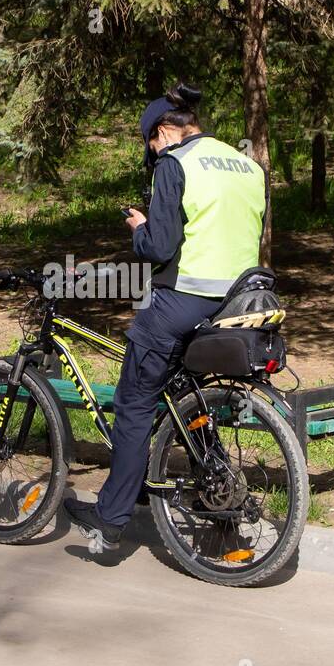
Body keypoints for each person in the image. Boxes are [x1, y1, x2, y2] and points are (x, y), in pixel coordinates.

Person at [64, 84, 266, 550]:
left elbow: (160, 247)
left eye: (151, 148)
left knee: (133, 404)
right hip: (239, 300)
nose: (154, 157)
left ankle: (110, 518)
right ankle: (213, 489)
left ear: (163, 134)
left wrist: (139, 229)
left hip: (185, 298)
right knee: (182, 394)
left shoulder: (176, 164)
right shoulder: (248, 166)